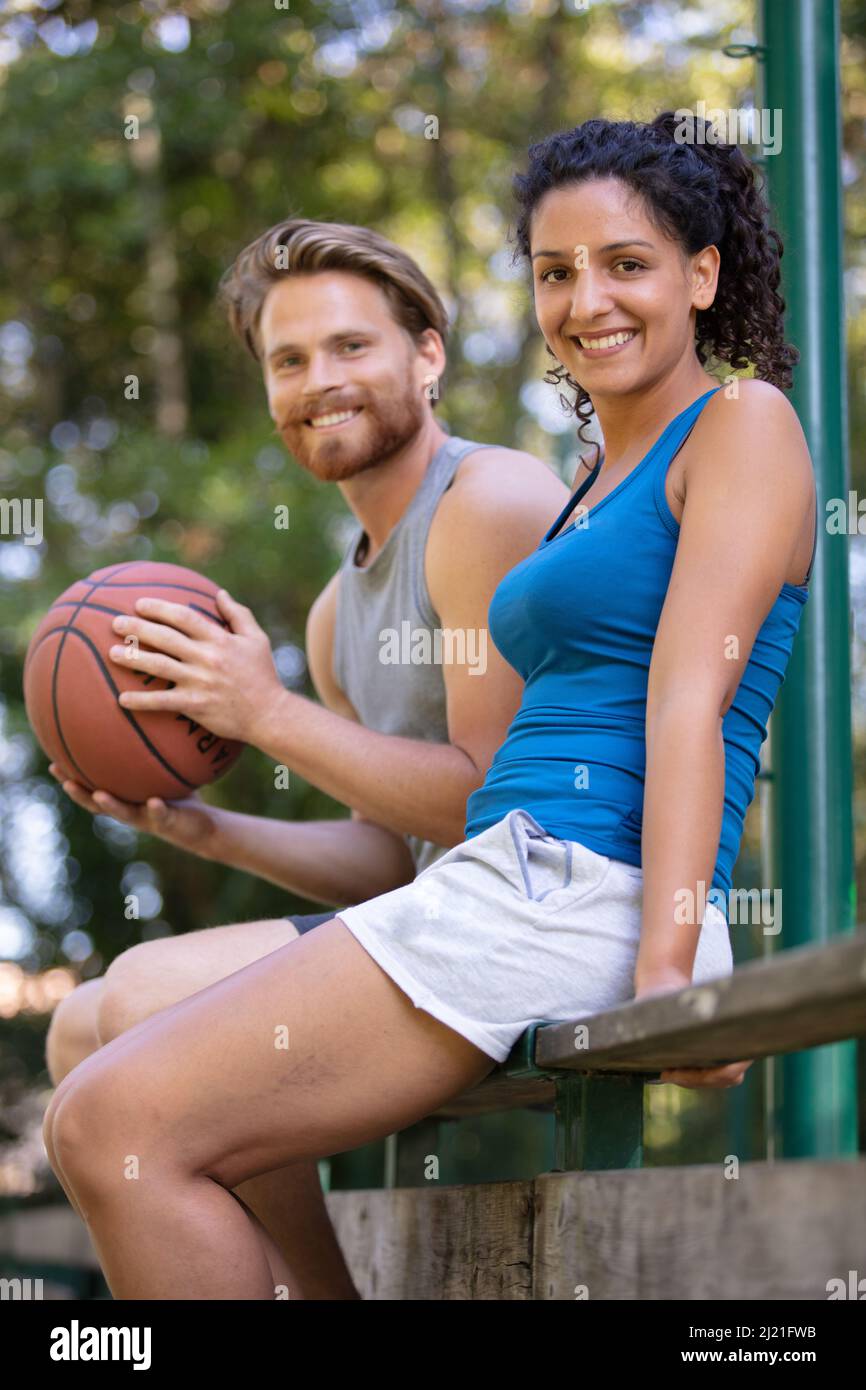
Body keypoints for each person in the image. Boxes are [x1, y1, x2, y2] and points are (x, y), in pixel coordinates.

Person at [43, 111, 816, 1301]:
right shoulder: (589, 486)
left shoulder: (741, 423)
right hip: (501, 880)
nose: (585, 300)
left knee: (109, 1126)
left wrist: (671, 968)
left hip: (578, 889)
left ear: (701, 274)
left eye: (626, 264)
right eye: (554, 271)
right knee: (104, 1101)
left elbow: (688, 700)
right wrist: (197, 824)